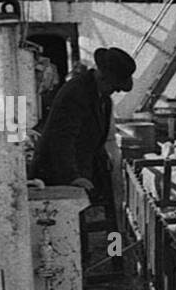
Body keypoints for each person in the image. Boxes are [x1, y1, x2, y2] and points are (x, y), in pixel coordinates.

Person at [32, 47, 136, 215]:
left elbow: (93, 135)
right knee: (70, 228)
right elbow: (62, 139)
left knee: (106, 221)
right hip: (58, 173)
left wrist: (103, 159)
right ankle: (112, 241)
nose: (116, 91)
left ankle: (115, 242)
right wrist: (73, 176)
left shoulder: (103, 98)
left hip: (82, 167)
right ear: (103, 77)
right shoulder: (76, 92)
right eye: (115, 86)